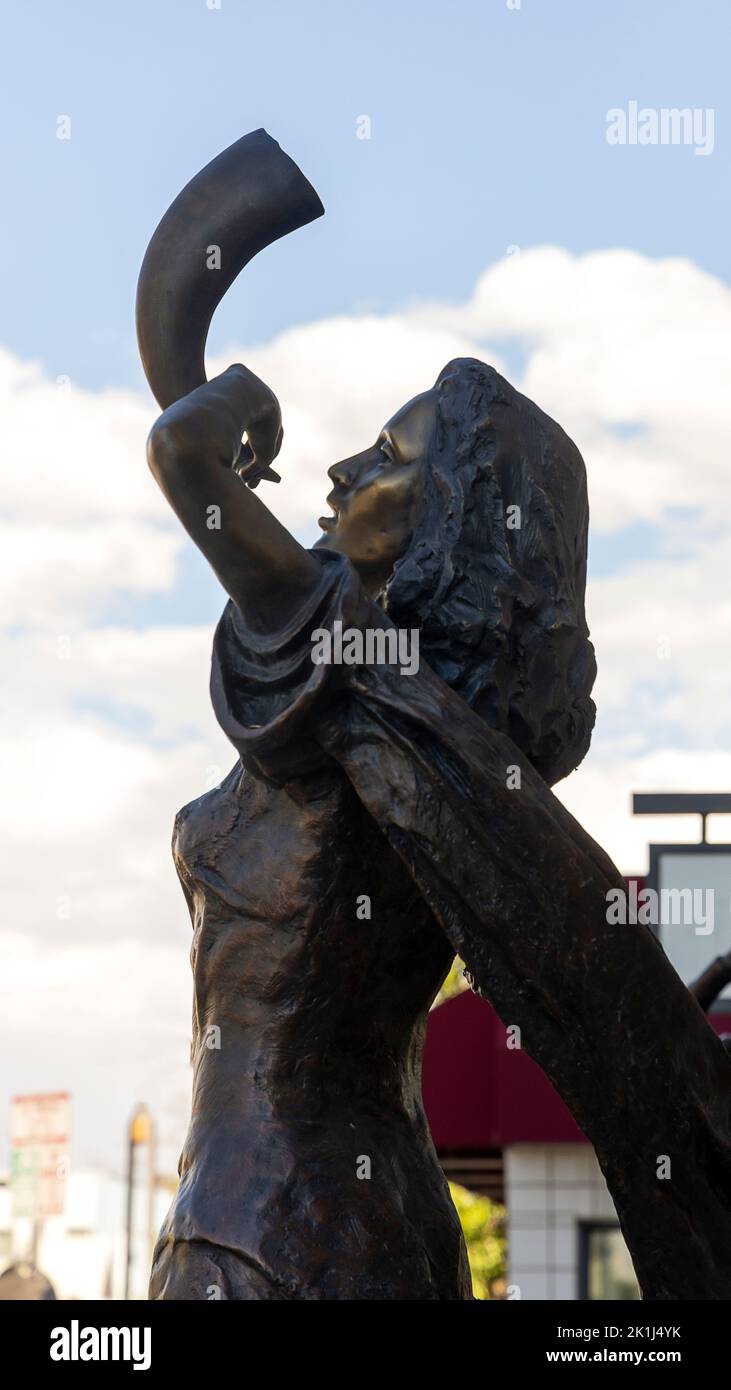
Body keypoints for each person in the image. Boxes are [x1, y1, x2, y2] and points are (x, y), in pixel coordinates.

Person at [147, 356, 731, 1301]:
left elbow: (180, 449)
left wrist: (243, 396)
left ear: (444, 524)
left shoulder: (354, 675)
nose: (338, 473)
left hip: (265, 1225)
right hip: (354, 1224)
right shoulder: (408, 717)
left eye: (382, 457)